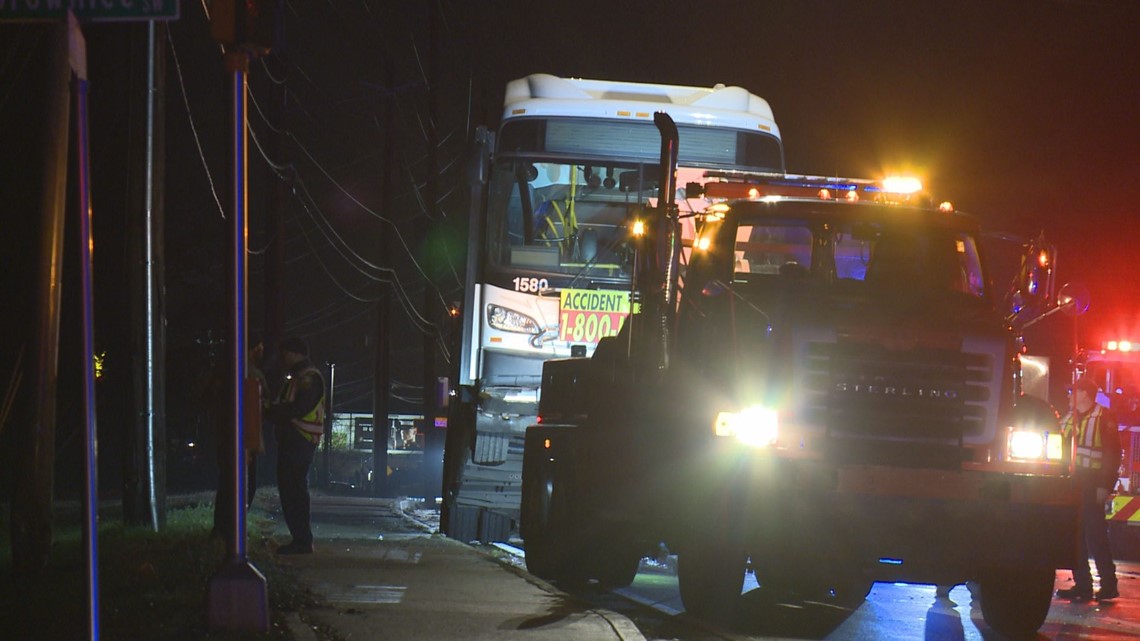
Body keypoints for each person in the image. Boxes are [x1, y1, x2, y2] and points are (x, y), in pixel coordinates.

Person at [1056, 376, 1121, 602]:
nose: (1069, 396)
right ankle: (1083, 585)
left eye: (1073, 391)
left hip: (1093, 484)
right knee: (1074, 535)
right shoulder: (1068, 418)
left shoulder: (1104, 417)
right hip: (1071, 484)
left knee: (1096, 535)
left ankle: (1109, 584)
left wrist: (1105, 485)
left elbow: (1113, 455)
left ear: (1085, 393)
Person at [266, 336, 326, 555]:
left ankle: (301, 540)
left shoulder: (308, 377)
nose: (282, 359)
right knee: (291, 490)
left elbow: (298, 407)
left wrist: (272, 413)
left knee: (294, 490)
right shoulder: (298, 376)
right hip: (294, 438)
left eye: (284, 354)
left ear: (294, 353)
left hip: (300, 438)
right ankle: (299, 539)